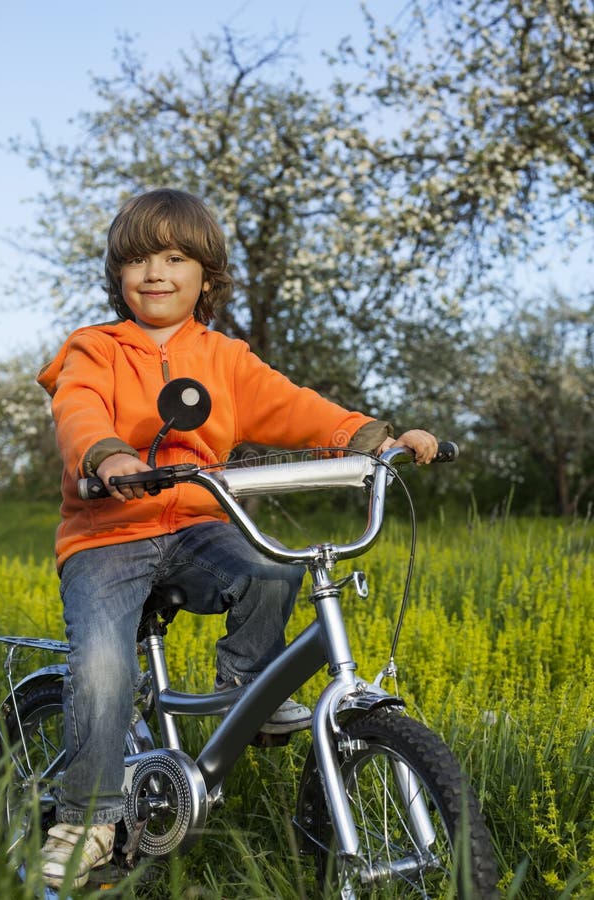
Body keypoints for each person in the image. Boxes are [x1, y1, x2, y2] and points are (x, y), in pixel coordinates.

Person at [37, 188, 438, 888]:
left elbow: (294, 407)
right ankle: (88, 819)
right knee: (103, 668)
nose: (154, 272)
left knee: (278, 570)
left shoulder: (223, 358)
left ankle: (247, 688)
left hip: (197, 524)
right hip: (107, 537)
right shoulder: (93, 350)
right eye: (136, 260)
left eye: (173, 257)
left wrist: (376, 438)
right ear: (117, 276)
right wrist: (109, 457)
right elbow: (78, 414)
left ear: (206, 277)